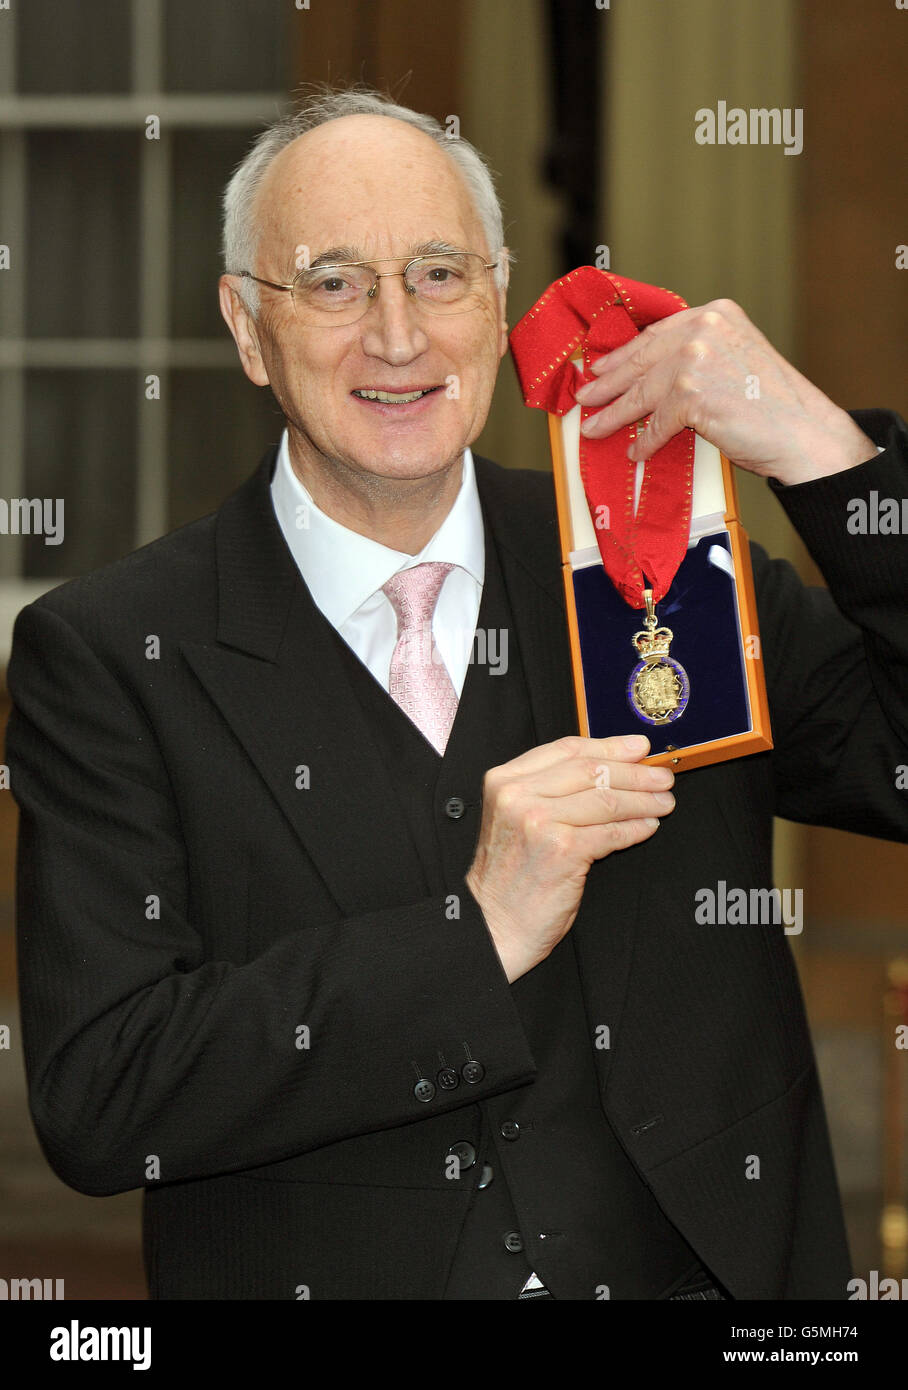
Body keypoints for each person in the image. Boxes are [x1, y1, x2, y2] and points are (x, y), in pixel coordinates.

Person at [7, 86, 908, 1301]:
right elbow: (102, 1095)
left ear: (496, 304)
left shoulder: (662, 570)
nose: (396, 335)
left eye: (438, 274)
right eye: (332, 282)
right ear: (244, 325)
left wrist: (824, 456)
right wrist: (473, 935)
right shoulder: (113, 655)